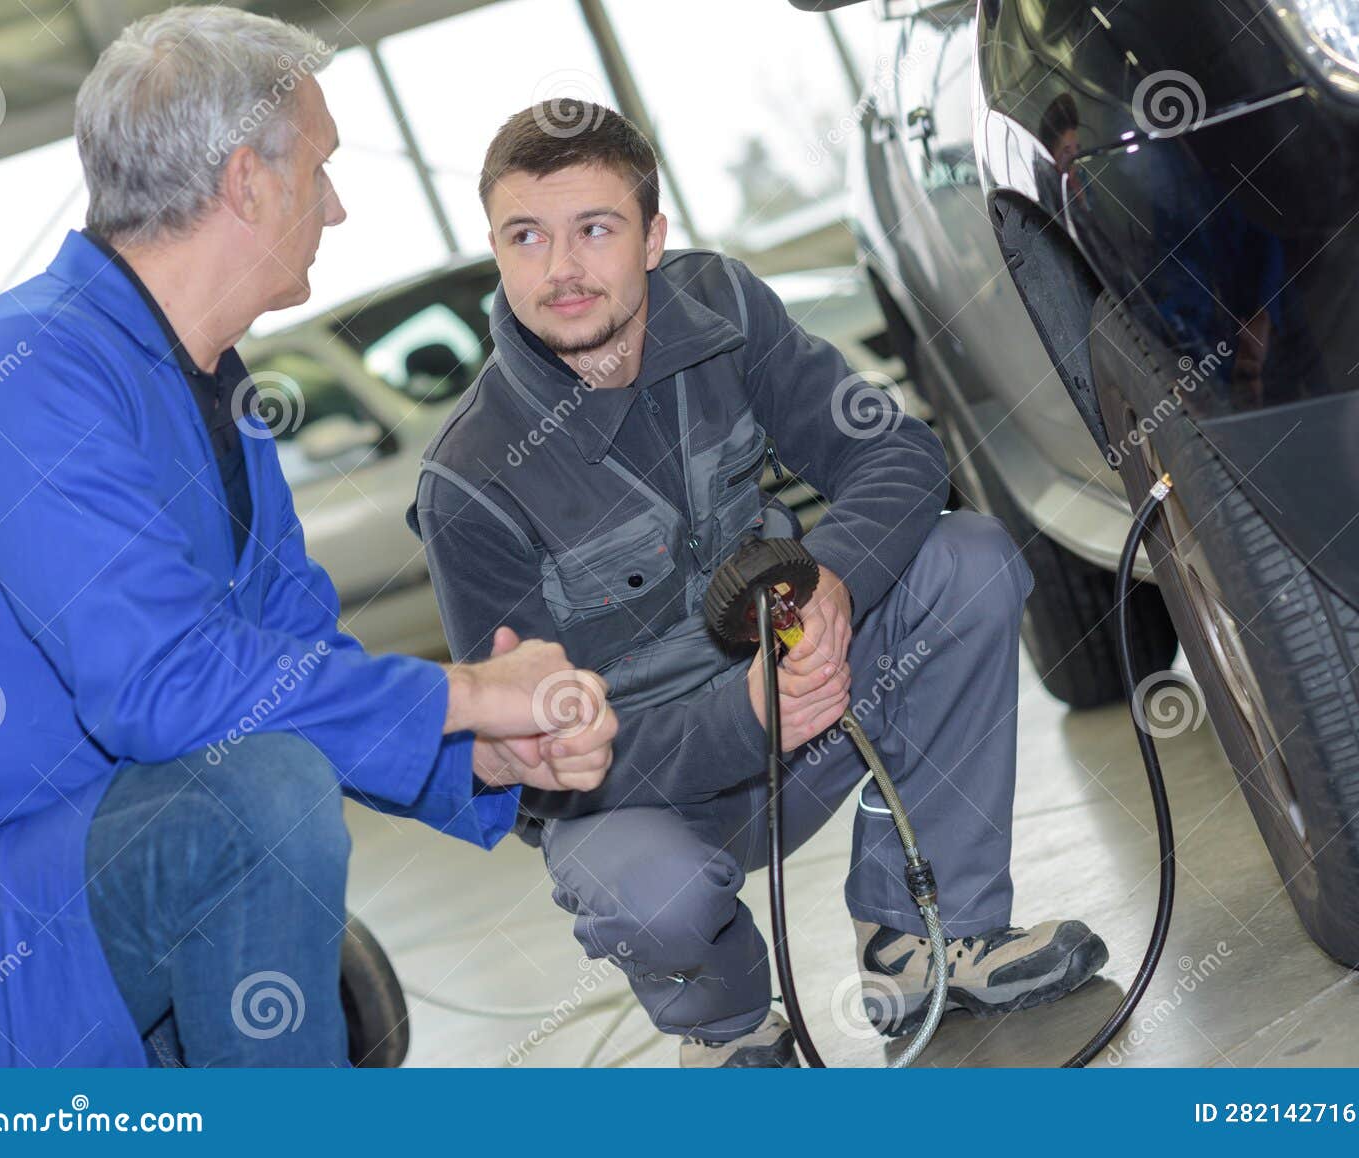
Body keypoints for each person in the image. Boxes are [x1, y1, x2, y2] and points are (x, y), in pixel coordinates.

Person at [0, 6, 614, 1068]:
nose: (334, 207)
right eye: (320, 168)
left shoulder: (217, 393)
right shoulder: (26, 369)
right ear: (246, 180)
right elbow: (164, 687)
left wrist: (472, 748)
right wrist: (462, 691)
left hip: (106, 880)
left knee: (264, 796)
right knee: (262, 796)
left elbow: (291, 663)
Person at [411, 101, 1108, 1067]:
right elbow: (537, 762)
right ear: (495, 248)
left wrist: (835, 582)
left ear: (653, 238)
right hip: (645, 794)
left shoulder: (724, 310)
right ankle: (732, 1032)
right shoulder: (468, 481)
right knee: (648, 890)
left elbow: (898, 454)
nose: (560, 270)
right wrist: (741, 722)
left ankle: (918, 944)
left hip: (814, 707)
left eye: (595, 230)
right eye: (525, 237)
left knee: (968, 559)